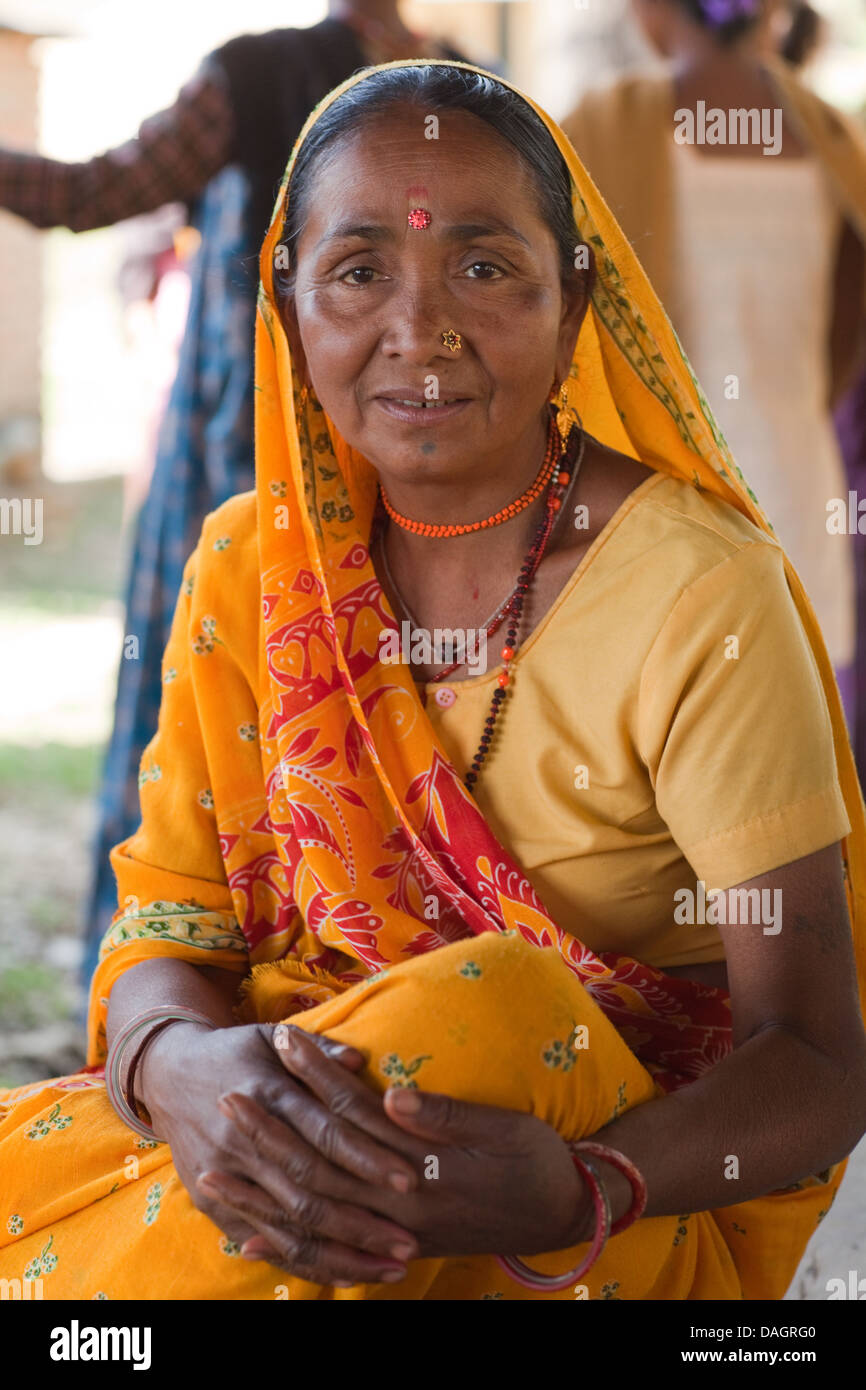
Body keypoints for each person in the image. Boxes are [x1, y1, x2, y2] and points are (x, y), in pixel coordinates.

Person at [1, 58, 865, 1302]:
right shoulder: (253, 563)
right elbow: (169, 924)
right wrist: (180, 1068)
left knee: (487, 1006)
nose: (423, 332)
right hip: (245, 1162)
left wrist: (582, 1184)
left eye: (482, 265)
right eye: (358, 272)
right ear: (285, 297)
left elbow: (820, 1063)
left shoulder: (696, 593)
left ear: (575, 303)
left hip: (582, 1214)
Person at [0, 1, 469, 989]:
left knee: (218, 682)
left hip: (247, 443)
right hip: (415, 448)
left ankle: (190, 955)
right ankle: (362, 946)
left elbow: (88, 193)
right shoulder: (461, 88)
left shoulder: (252, 76)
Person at [561, 0, 866, 734]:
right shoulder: (833, 137)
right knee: (798, 777)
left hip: (659, 511)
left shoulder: (603, 128)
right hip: (798, 494)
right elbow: (844, 344)